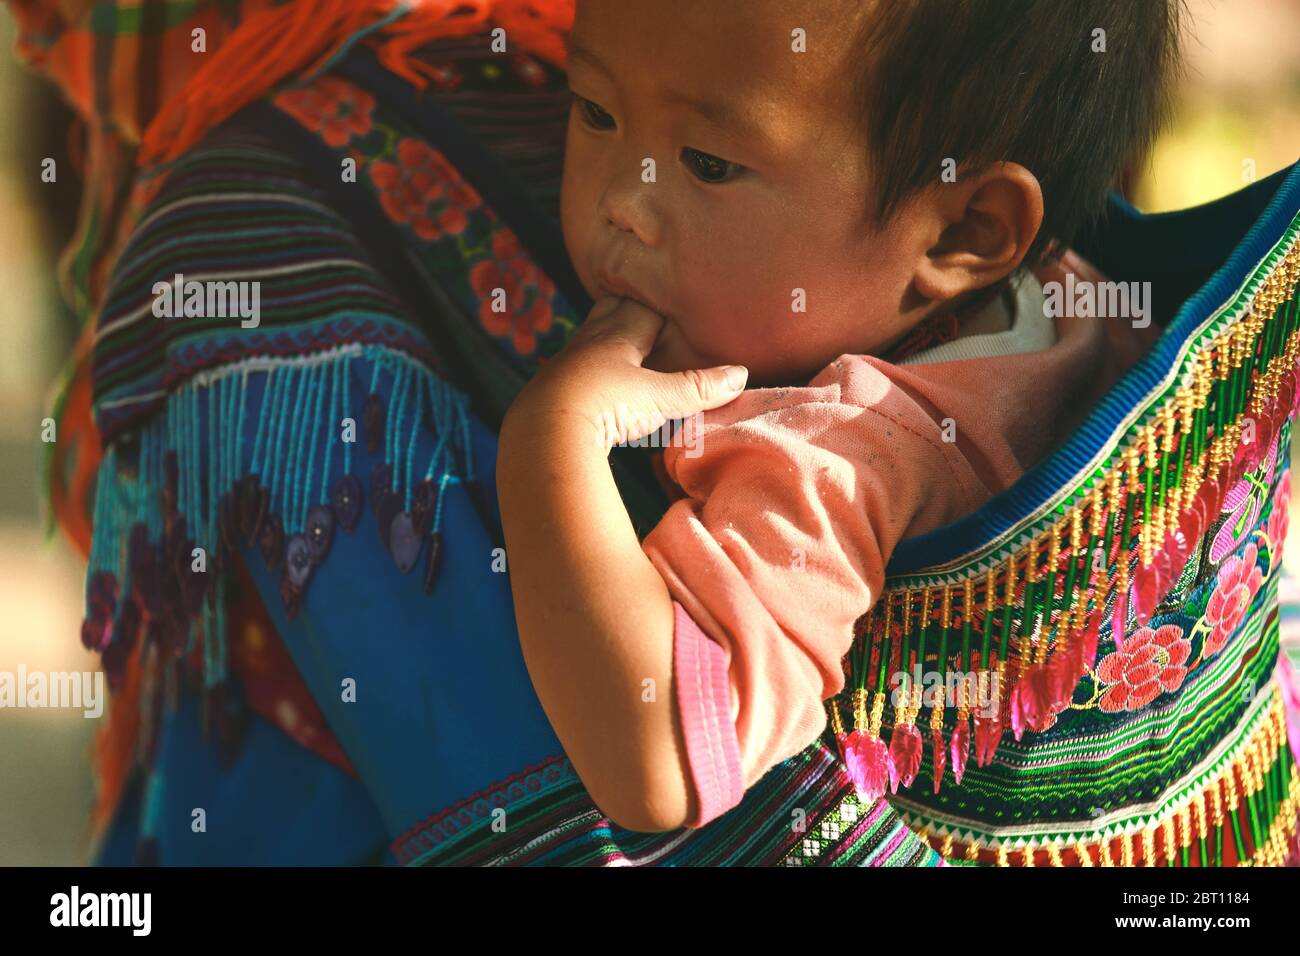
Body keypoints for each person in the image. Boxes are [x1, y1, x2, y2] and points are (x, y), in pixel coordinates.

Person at [14, 0, 1299, 866]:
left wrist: (550, 450)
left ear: (964, 238)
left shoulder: (838, 451)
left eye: (708, 166)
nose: (619, 211)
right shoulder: (1064, 294)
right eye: (594, 112)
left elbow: (662, 757)